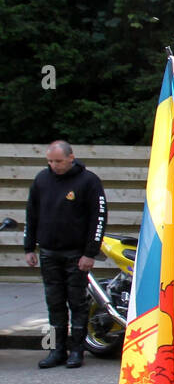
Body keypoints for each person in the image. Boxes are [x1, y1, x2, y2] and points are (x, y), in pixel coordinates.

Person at [23, 140, 108, 368]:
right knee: (54, 304)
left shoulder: (88, 181)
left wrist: (90, 253)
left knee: (77, 303)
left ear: (71, 157)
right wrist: (28, 247)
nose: (54, 165)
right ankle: (55, 350)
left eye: (58, 161)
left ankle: (77, 352)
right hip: (49, 252)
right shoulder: (42, 179)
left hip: (76, 254)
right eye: (50, 161)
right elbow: (31, 214)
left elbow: (98, 219)